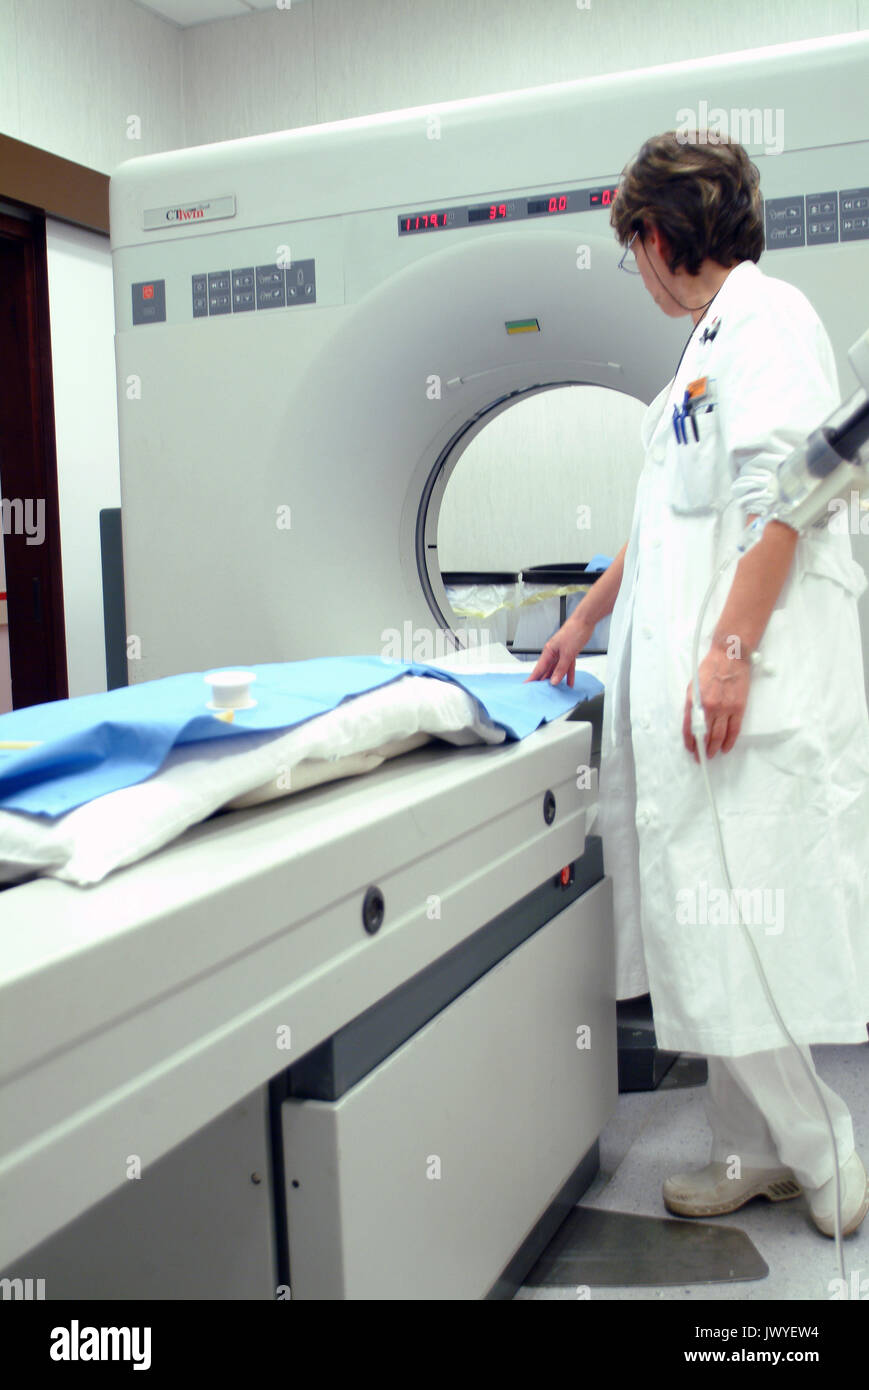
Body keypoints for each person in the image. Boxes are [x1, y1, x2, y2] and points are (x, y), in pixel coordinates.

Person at [527, 131, 869, 1238]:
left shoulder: (767, 325)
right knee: (701, 934)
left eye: (633, 245)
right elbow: (663, 511)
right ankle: (751, 1148)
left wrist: (725, 653)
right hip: (692, 693)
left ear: (660, 237)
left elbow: (792, 496)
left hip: (745, 686)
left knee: (734, 930)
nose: (636, 267)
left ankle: (822, 1148)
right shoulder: (699, 356)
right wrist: (585, 614)